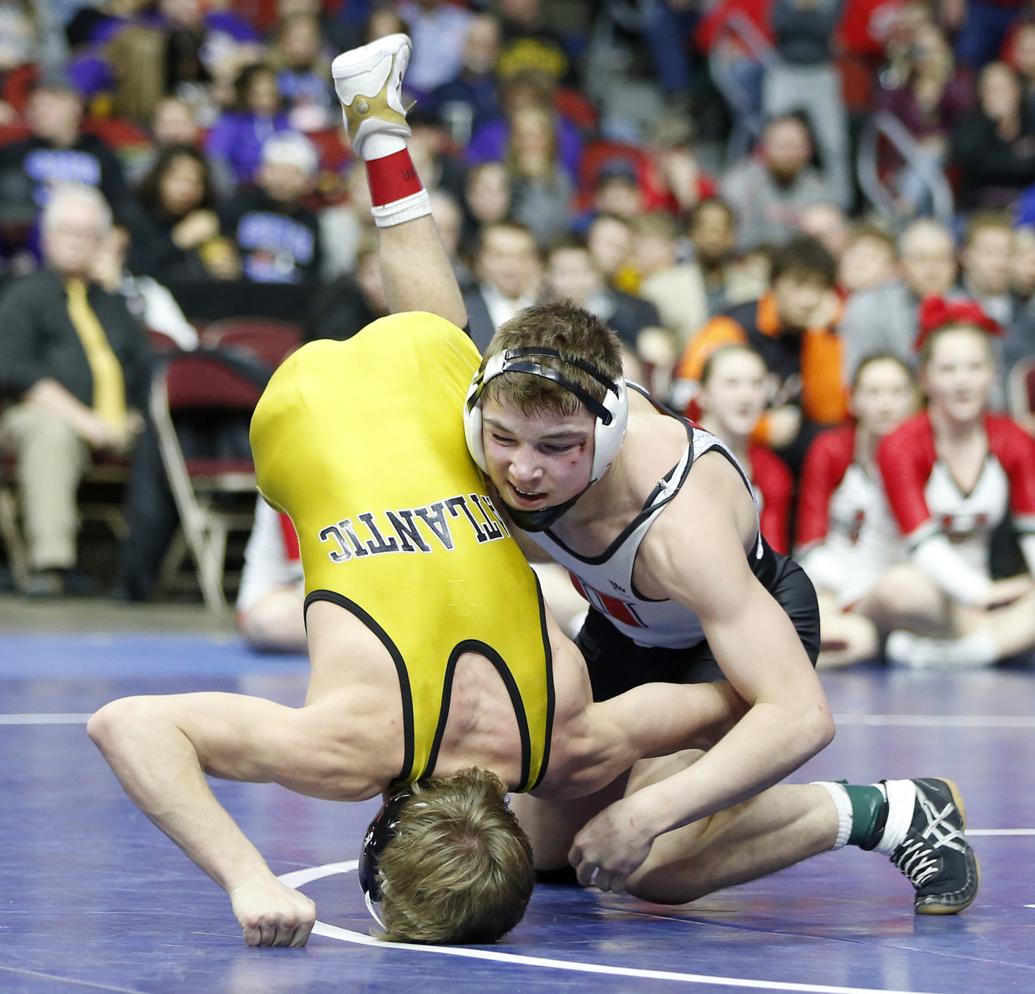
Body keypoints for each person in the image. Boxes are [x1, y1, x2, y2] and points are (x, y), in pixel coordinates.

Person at [88, 45, 748, 946]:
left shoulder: (562, 741)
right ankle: (378, 129)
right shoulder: (350, 751)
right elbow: (125, 726)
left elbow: (730, 701)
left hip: (423, 396)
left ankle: (381, 131)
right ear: (376, 844)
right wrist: (249, 879)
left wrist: (658, 791)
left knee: (443, 338)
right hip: (299, 416)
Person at [328, 32, 979, 918]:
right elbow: (428, 331)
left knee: (653, 862)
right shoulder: (510, 419)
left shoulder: (679, 525)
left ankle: (893, 810)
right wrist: (380, 134)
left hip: (728, 642)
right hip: (628, 627)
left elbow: (800, 716)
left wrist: (652, 812)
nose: (522, 470)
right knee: (547, 851)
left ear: (605, 436)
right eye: (504, 439)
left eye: (556, 450)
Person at [0, 183, 151, 596]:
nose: (75, 241)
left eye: (86, 234)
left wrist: (133, 416)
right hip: (34, 415)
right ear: (47, 238)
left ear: (102, 243)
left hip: (115, 422)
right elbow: (15, 372)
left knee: (163, 437)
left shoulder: (113, 303)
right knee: (51, 433)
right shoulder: (23, 295)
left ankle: (143, 571)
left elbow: (143, 366)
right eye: (66, 231)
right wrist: (84, 420)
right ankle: (52, 564)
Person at [875, 297, 1035, 669]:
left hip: (985, 592)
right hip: (924, 591)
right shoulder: (901, 444)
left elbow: (1032, 532)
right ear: (925, 378)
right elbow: (921, 543)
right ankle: (1003, 639)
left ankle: (963, 654)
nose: (962, 381)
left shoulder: (1015, 439)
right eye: (948, 369)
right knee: (901, 588)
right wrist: (983, 595)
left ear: (993, 373)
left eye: (974, 367)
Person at [795, 354, 919, 667]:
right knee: (858, 639)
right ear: (853, 400)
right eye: (873, 392)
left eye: (896, 392)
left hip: (900, 588)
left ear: (913, 398)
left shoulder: (928, 451)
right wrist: (845, 591)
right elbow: (809, 545)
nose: (885, 404)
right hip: (835, 585)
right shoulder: (832, 449)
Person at [696, 345, 793, 555]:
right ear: (703, 395)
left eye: (756, 384)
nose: (746, 396)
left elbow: (773, 556)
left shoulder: (773, 471)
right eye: (731, 383)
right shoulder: (678, 453)